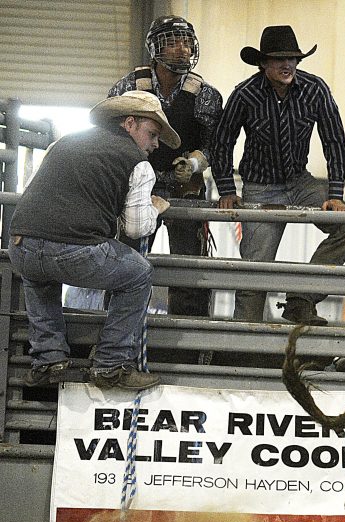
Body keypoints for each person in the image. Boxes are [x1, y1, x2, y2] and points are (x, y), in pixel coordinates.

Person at [9, 91, 176, 390]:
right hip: (74, 250)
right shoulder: (137, 162)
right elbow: (137, 228)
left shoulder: (64, 143)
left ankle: (48, 359)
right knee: (139, 274)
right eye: (152, 134)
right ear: (129, 124)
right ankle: (111, 365)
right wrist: (154, 208)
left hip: (22, 244)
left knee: (38, 277)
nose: (154, 144)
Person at [211, 25, 345, 326]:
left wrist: (335, 194)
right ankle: (244, 341)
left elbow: (334, 139)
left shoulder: (314, 89)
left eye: (292, 58)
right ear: (263, 63)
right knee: (255, 268)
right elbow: (222, 140)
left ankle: (301, 299)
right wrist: (227, 188)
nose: (287, 65)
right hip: (259, 186)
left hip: (299, 180)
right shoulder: (245, 94)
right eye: (279, 59)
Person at [108, 14, 223, 317]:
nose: (181, 49)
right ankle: (116, 331)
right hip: (137, 188)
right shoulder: (128, 89)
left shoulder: (206, 96)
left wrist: (196, 163)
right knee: (126, 261)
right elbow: (109, 135)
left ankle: (187, 347)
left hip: (186, 190)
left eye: (186, 42)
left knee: (189, 272)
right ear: (155, 47)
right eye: (172, 42)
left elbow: (216, 145)